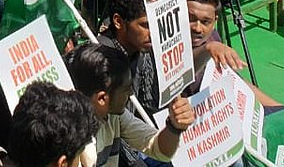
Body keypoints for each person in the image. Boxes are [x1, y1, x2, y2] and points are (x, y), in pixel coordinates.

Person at [66, 43, 194, 167]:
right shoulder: (67, 134)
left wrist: (174, 127)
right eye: (126, 88)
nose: (131, 93)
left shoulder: (115, 116)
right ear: (102, 99)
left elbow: (159, 150)